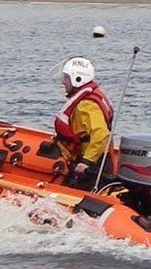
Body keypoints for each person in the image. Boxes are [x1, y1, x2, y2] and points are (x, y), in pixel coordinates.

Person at [48, 56, 115, 190]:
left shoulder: (86, 105)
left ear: (77, 79)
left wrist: (86, 162)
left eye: (66, 78)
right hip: (89, 158)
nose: (63, 82)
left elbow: (101, 133)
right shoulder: (87, 99)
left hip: (92, 164)